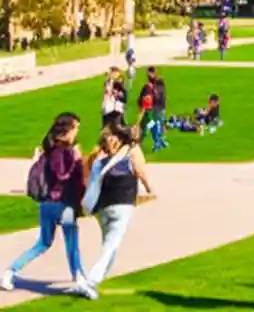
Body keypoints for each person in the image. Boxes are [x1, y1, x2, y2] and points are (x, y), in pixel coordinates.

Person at [1, 113, 86, 293]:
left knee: (44, 243)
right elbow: (63, 176)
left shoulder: (50, 150)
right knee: (71, 242)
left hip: (48, 204)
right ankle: (78, 276)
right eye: (76, 128)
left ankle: (11, 271)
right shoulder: (64, 152)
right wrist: (78, 160)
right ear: (67, 130)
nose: (77, 132)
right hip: (62, 203)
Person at [75, 121, 155, 300]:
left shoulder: (98, 159)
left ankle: (94, 281)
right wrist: (149, 188)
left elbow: (88, 180)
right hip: (122, 204)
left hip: (102, 207)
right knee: (111, 245)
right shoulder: (130, 152)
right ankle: (90, 282)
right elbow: (140, 171)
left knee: (110, 246)